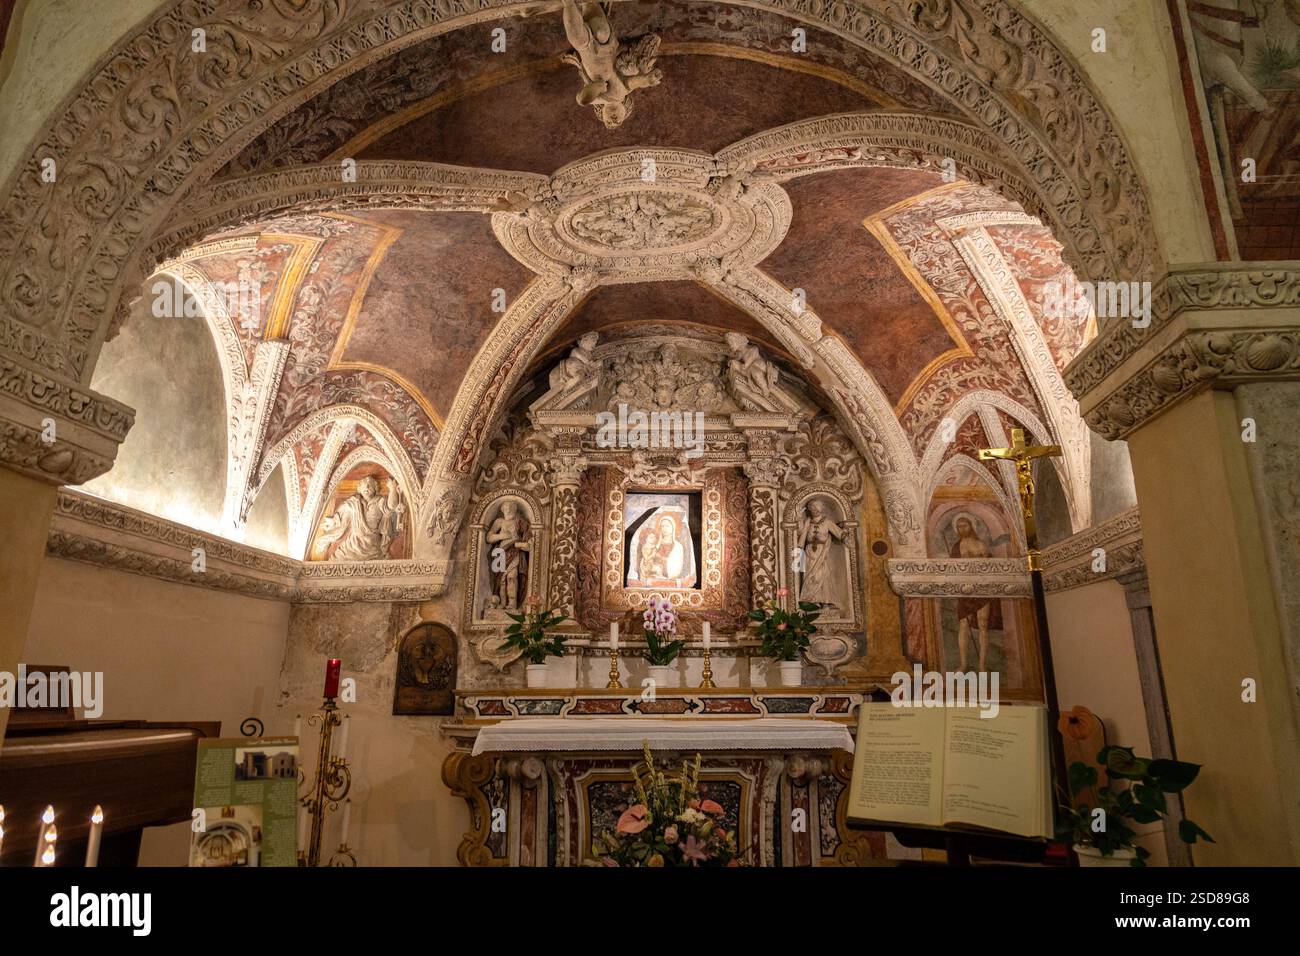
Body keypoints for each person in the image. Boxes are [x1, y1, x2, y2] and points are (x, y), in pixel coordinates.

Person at [949, 515, 1002, 672]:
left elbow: (987, 565)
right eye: (959, 526)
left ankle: (981, 666)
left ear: (971, 526)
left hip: (981, 588)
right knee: (964, 624)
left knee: (983, 624)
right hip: (964, 589)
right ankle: (963, 664)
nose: (961, 529)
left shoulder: (980, 545)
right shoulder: (956, 547)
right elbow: (952, 568)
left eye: (964, 525)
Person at [317, 476, 404, 561]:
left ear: (375, 488)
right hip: (353, 544)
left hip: (371, 545)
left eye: (370, 485)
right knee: (334, 561)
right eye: (364, 485)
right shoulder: (354, 502)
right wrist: (334, 522)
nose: (366, 487)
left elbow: (392, 506)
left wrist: (392, 489)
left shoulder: (379, 502)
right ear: (359, 489)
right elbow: (341, 515)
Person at [797, 499, 844, 610]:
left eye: (816, 507)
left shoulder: (827, 522)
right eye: (812, 508)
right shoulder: (808, 522)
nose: (815, 510)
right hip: (809, 552)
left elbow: (838, 532)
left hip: (822, 552)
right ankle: (813, 601)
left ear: (821, 508)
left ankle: (826, 601)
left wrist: (846, 537)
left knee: (822, 576)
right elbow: (799, 533)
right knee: (811, 576)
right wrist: (799, 518)